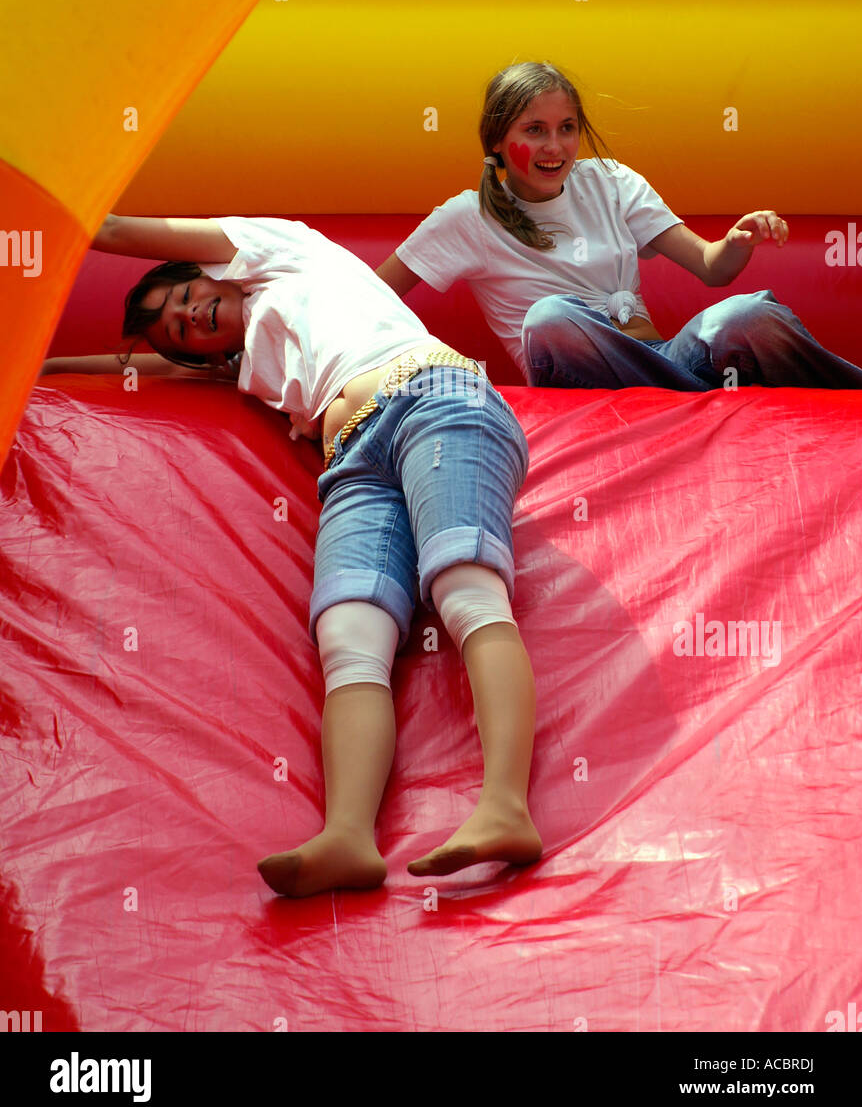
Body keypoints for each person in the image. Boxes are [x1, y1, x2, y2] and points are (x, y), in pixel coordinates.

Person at [43, 213, 540, 896]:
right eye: (179, 328)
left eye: (185, 296)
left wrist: (45, 206)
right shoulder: (249, 367)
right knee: (349, 634)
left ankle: (505, 806)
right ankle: (347, 837)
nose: (190, 315)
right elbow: (138, 368)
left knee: (463, 585)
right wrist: (42, 366)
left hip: (437, 398)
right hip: (353, 462)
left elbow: (122, 233)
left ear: (213, 273)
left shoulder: (281, 253)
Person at [375, 61, 862, 390]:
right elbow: (370, 293)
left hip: (664, 358)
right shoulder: (469, 217)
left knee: (745, 314)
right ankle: (689, 394)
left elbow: (713, 269)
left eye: (567, 128)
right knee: (549, 318)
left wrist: (738, 241)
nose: (555, 146)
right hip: (580, 383)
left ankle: (851, 397)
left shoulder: (610, 181)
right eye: (535, 130)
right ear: (498, 141)